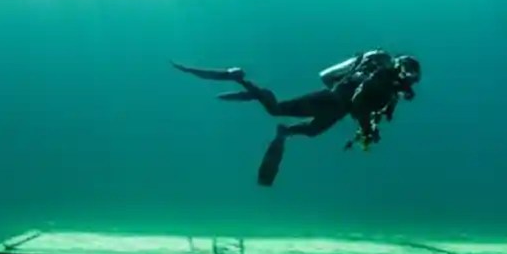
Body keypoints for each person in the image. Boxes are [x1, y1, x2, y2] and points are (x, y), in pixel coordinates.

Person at [171, 50, 422, 186]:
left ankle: (283, 131)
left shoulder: (390, 89)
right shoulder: (381, 80)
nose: (408, 85)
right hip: (330, 101)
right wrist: (367, 127)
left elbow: (367, 108)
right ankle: (242, 80)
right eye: (409, 79)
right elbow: (359, 101)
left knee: (309, 132)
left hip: (337, 108)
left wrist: (369, 127)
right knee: (276, 108)